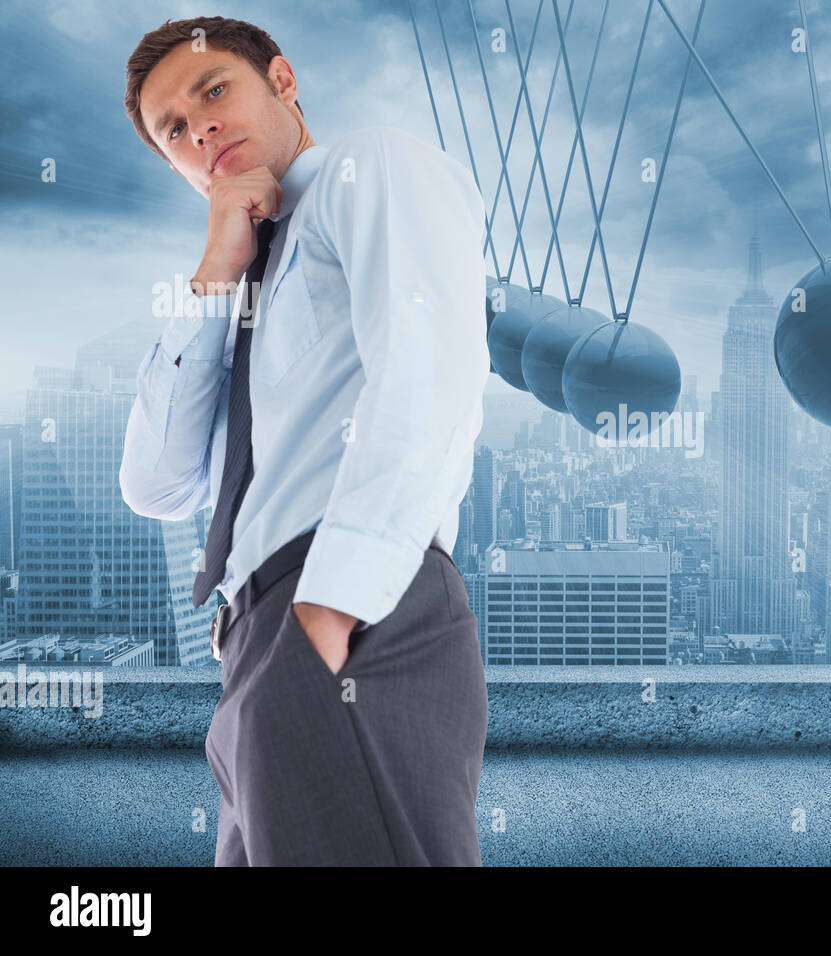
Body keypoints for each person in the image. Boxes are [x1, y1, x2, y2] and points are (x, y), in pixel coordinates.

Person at [119, 15, 491, 865]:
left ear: (283, 81)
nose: (200, 127)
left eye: (214, 91)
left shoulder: (374, 166)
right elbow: (156, 484)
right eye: (173, 128)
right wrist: (217, 271)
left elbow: (428, 368)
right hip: (250, 652)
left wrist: (328, 614)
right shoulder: (241, 274)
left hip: (347, 612)